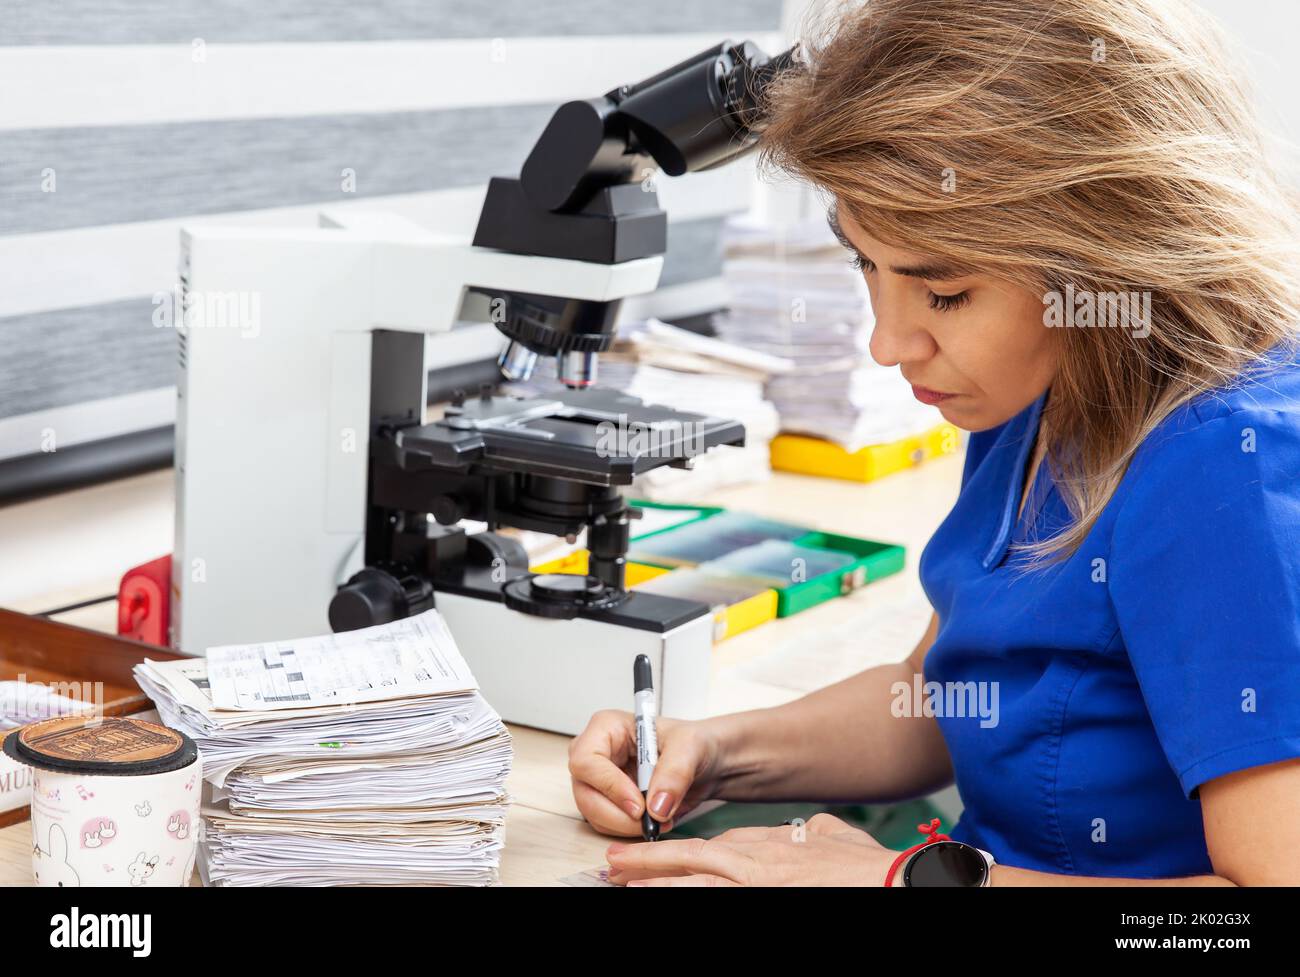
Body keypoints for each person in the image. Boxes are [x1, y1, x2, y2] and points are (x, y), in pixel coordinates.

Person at [568, 0, 1300, 886]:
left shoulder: (1223, 470)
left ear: (1108, 254)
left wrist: (903, 883)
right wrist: (712, 752)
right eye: (864, 264)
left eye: (943, 294)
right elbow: (945, 694)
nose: (887, 343)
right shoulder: (1040, 389)